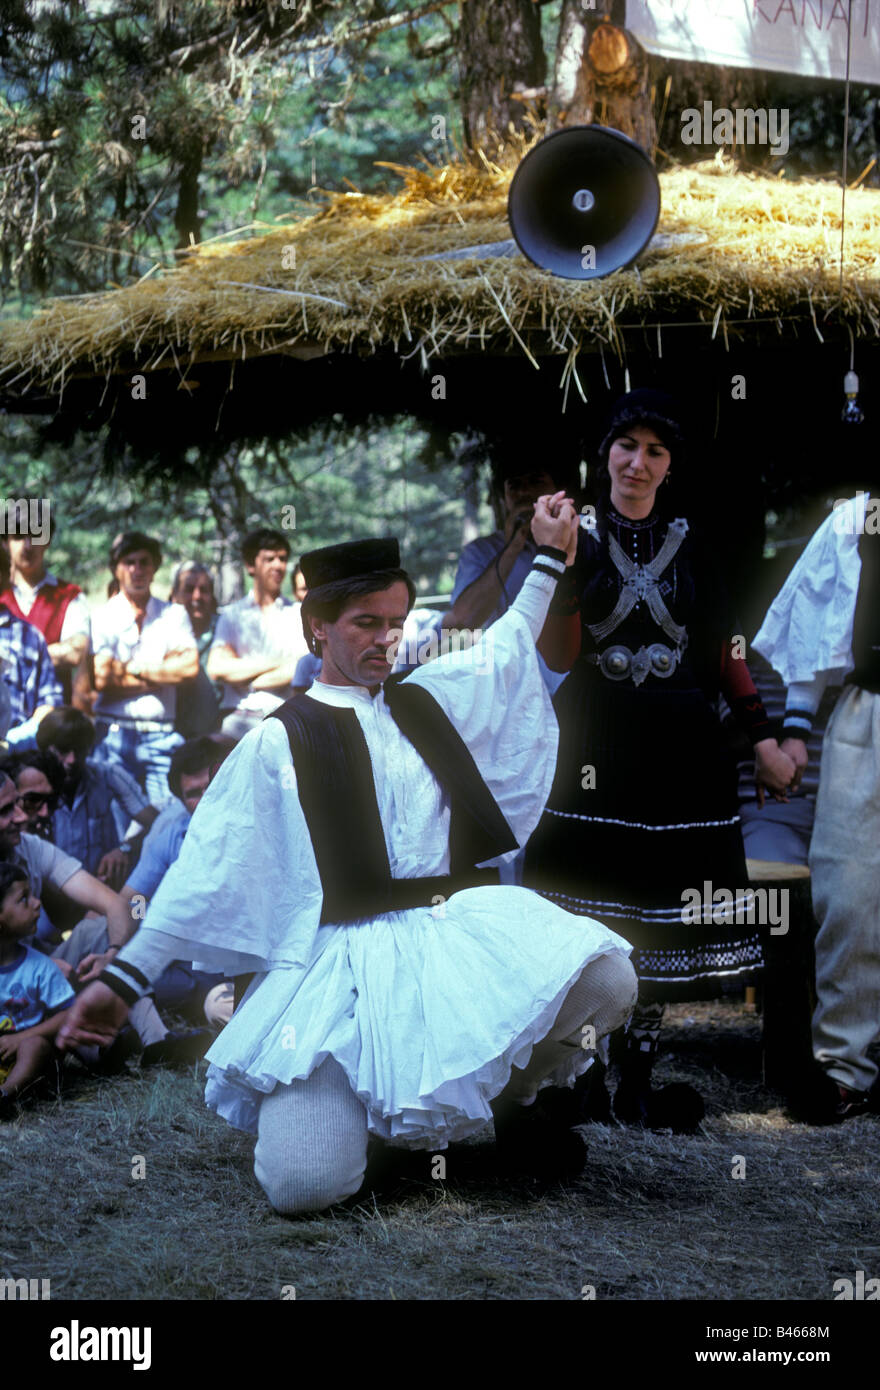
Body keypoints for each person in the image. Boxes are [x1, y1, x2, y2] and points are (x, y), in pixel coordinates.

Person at [60, 513, 638, 1214]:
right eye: (366, 622)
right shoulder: (277, 740)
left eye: (396, 622)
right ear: (318, 629)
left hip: (445, 938)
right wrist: (121, 984)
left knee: (608, 979)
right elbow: (196, 881)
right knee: (304, 1188)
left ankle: (513, 1100)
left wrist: (546, 556)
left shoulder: (427, 698)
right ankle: (388, 1131)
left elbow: (508, 646)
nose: (386, 639)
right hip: (335, 971)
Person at [524, 390, 796, 1131]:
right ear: (605, 452)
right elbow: (557, 655)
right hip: (592, 742)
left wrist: (763, 738)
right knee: (589, 910)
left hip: (682, 750)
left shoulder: (692, 542)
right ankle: (581, 1076)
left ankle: (637, 1082)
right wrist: (561, 564)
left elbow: (726, 650)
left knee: (661, 914)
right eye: (626, 446)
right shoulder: (573, 533)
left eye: (655, 451)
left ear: (670, 465)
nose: (637, 463)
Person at [753, 490, 880, 1124]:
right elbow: (813, 612)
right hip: (867, 714)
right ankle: (845, 1070)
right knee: (848, 893)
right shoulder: (860, 518)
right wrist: (797, 726)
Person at [444, 462, 576, 694]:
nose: (524, 492)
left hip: (568, 678)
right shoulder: (481, 552)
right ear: (503, 498)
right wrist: (513, 545)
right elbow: (462, 621)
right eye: (514, 486)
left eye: (536, 482)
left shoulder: (581, 542)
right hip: (508, 682)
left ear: (557, 490)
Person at [90, 532, 198, 803]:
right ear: (116, 569)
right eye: (129, 562)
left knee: (170, 816)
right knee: (114, 819)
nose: (137, 570)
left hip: (161, 734)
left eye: (144, 562)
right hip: (113, 733)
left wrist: (133, 668)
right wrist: (163, 671)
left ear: (155, 567)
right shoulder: (102, 616)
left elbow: (188, 669)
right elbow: (103, 678)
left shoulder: (174, 614)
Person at [34, 707, 158, 888]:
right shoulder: (29, 787)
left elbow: (158, 823)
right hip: (49, 894)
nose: (72, 760)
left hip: (102, 887)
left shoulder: (107, 775)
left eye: (79, 750)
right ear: (45, 749)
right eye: (63, 750)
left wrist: (126, 848)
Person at [207, 529, 309, 739]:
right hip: (238, 718)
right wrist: (279, 661)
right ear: (250, 566)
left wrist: (247, 679)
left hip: (284, 720)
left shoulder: (298, 615)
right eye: (269, 559)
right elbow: (217, 668)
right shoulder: (232, 615)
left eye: (282, 559)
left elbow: (299, 669)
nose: (278, 565)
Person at [0, 863, 74, 1119]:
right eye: (24, 898)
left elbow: (68, 1014)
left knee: (34, 1046)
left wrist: (21, 1037)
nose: (36, 903)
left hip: (34, 1063)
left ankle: (6, 1095)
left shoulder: (40, 967)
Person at [1, 521, 90, 703]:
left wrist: (12, 655)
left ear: (47, 540)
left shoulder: (70, 595)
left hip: (53, 712)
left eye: (35, 536)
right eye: (18, 537)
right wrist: (48, 653)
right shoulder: (2, 594)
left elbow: (74, 653)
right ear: (5, 542)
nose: (27, 545)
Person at [0, 543, 64, 746]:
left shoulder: (29, 637)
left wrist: (12, 743)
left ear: (4, 577)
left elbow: (49, 704)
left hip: (14, 753)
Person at [169, 561, 223, 737]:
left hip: (215, 735)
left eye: (204, 590)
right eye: (189, 589)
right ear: (174, 594)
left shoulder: (223, 629)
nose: (197, 596)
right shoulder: (163, 629)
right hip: (168, 735)